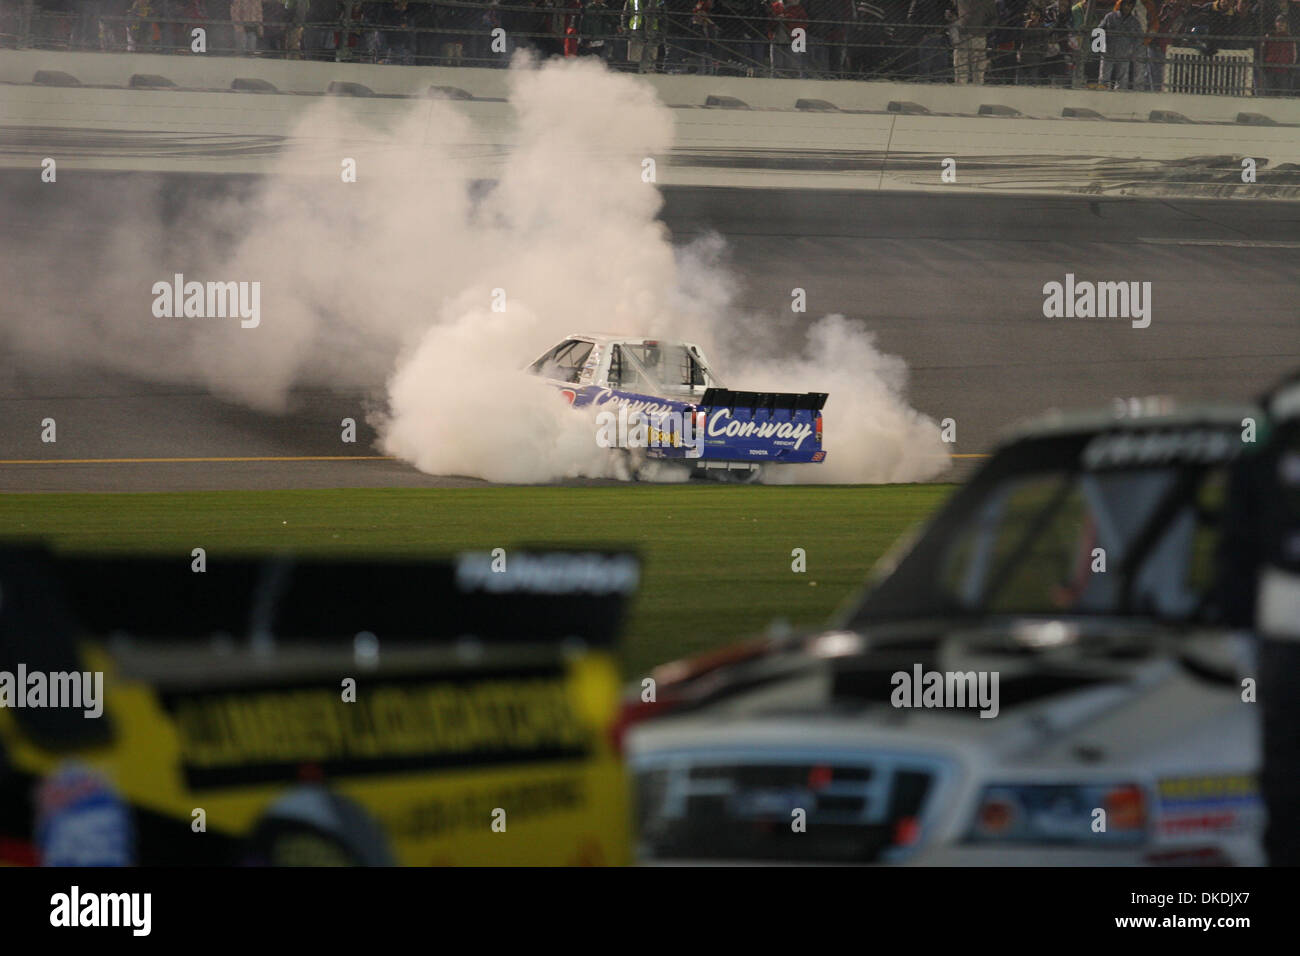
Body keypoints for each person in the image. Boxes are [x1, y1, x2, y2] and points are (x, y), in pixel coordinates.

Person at [1098, 0, 1143, 87]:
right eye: (1126, 4)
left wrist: (1132, 51)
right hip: (1108, 53)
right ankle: (1101, 96)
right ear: (1121, 5)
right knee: (1104, 79)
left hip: (1124, 55)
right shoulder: (1110, 17)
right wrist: (1100, 47)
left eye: (1130, 5)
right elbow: (1099, 30)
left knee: (1122, 81)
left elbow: (1139, 38)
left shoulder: (1135, 22)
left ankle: (1120, 98)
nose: (1127, 7)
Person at [1262, 13, 1296, 93]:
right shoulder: (1269, 36)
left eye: (1283, 22)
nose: (1281, 24)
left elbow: (1293, 54)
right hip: (1270, 68)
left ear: (1286, 24)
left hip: (1283, 70)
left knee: (1283, 94)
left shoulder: (1289, 38)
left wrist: (1290, 66)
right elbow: (1263, 51)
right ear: (1275, 23)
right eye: (1278, 21)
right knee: (1269, 93)